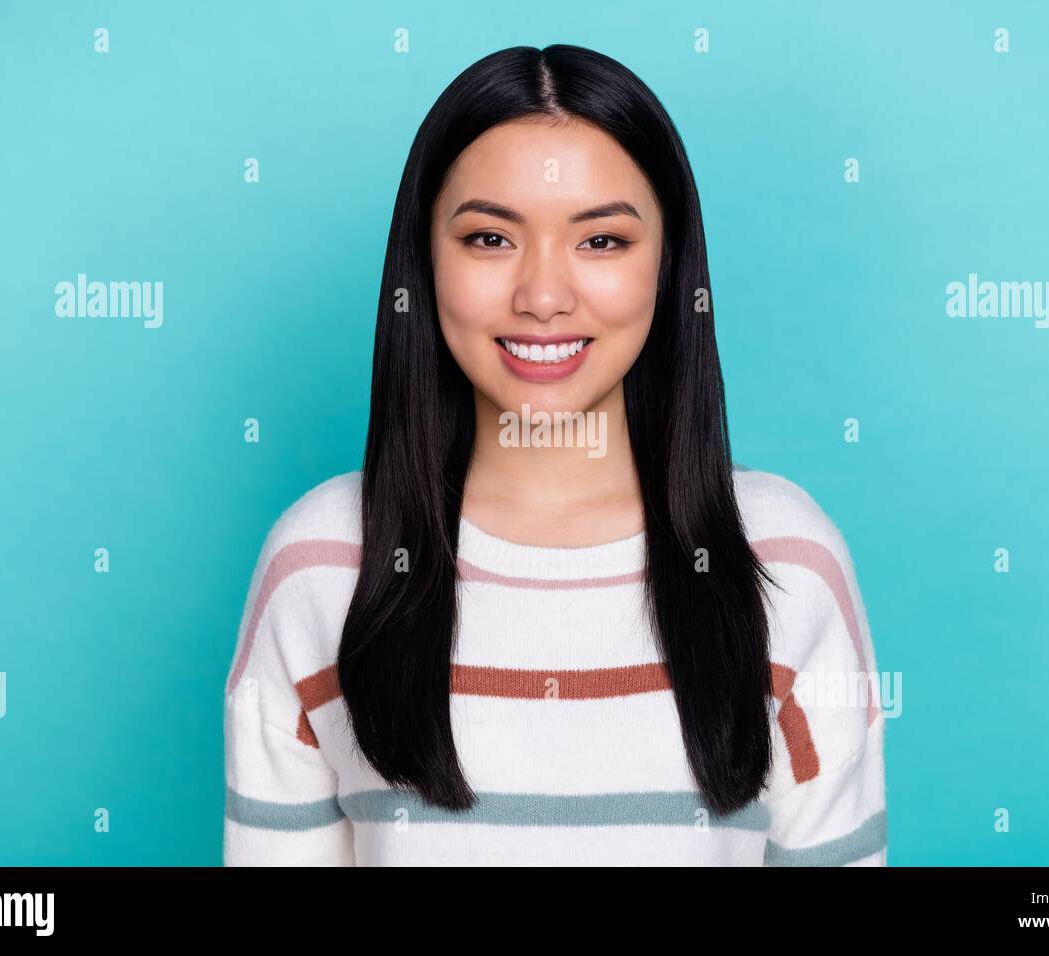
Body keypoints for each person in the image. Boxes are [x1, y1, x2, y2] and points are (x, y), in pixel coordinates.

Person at [223, 44, 886, 865]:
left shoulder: (786, 562)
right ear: (425, 265)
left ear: (668, 266)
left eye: (601, 241)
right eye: (490, 238)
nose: (542, 296)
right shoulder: (321, 565)